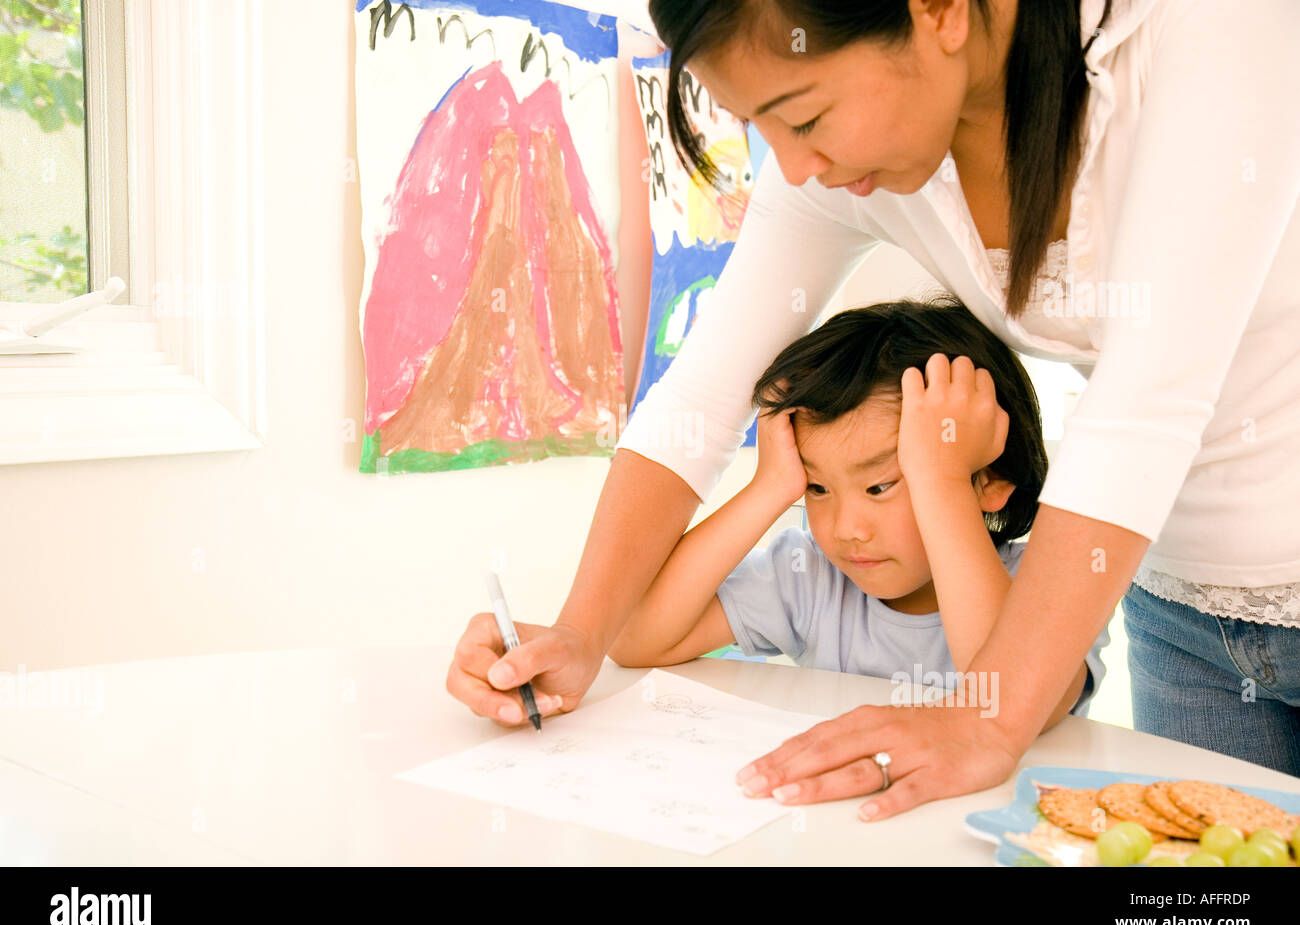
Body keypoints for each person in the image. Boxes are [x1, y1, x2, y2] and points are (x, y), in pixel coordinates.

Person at [446, 0, 1300, 817]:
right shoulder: (856, 164)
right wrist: (579, 632)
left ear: (939, 10)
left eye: (805, 117)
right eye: (761, 126)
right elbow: (703, 395)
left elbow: (1143, 405)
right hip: (1180, 605)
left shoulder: (1205, 27)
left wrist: (987, 717)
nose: (793, 166)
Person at [606, 297, 1110, 754]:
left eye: (880, 486)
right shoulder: (809, 576)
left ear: (992, 479)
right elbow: (635, 640)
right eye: (817, 488)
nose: (847, 529)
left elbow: (1008, 700)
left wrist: (943, 480)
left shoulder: (1046, 590)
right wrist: (769, 487)